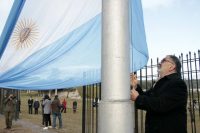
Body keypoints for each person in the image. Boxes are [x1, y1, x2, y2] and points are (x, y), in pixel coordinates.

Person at [130, 55, 188, 133]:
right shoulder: (160, 83)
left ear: (172, 67)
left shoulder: (177, 83)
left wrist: (138, 98)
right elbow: (146, 98)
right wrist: (136, 86)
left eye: (163, 60)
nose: (159, 63)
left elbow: (161, 105)